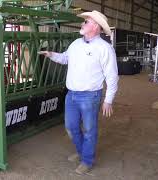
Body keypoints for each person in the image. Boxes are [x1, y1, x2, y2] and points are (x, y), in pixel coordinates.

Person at [39, 10, 119, 174]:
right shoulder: (75, 44)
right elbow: (65, 58)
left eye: (86, 22)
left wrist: (108, 100)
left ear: (95, 26)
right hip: (72, 95)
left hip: (90, 96)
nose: (82, 24)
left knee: (89, 130)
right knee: (71, 127)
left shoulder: (104, 48)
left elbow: (112, 76)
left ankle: (87, 160)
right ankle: (82, 151)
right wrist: (51, 54)